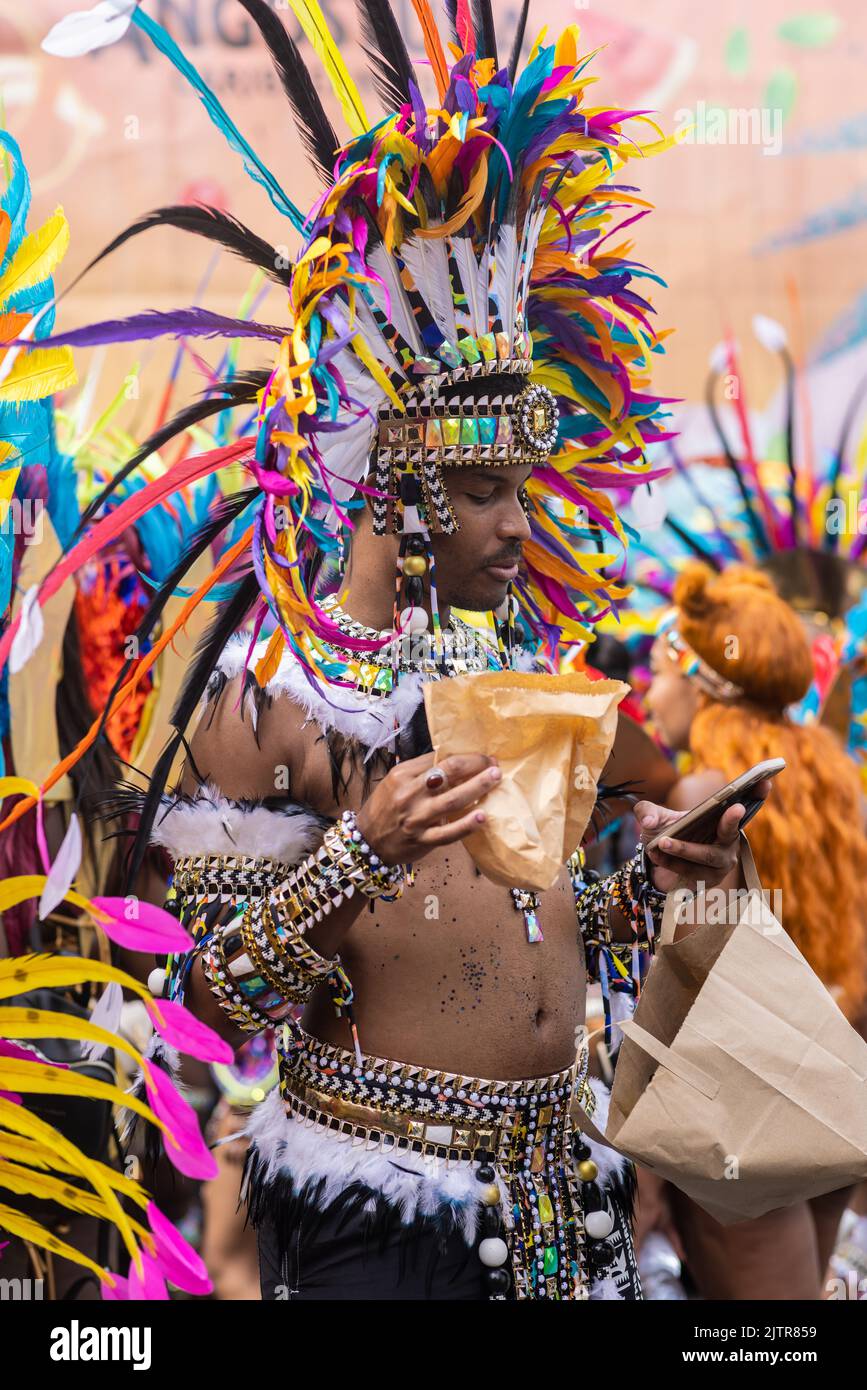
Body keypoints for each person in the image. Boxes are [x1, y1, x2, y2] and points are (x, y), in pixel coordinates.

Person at [12, 2, 761, 1301]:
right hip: (381, 1228)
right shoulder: (268, 694)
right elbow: (201, 1003)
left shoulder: (515, 665)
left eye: (521, 487)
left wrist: (657, 886)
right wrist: (361, 855)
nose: (517, 525)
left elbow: (543, 938)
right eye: (480, 490)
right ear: (392, 485)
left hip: (559, 1211)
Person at [645, 559, 867, 1299]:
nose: (649, 695)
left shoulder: (707, 793)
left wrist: (643, 1163)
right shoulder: (840, 780)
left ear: (701, 681)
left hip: (737, 1104)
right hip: (833, 1084)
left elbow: (680, 985)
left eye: (657, 672)